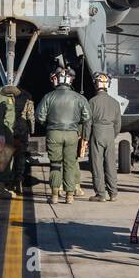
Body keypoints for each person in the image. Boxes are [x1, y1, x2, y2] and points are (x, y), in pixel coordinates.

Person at [35, 68, 90, 204]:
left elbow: (39, 116)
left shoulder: (49, 96)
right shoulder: (79, 97)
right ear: (70, 80)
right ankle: (69, 196)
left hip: (54, 133)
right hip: (72, 133)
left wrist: (48, 124)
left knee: (55, 165)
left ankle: (54, 195)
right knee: (70, 164)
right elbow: (87, 116)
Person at [0, 84, 35, 197]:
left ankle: (2, 186)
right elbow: (30, 115)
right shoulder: (21, 96)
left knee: (3, 158)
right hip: (9, 130)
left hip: (7, 130)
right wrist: (32, 130)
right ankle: (7, 186)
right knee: (12, 157)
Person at [86, 72, 123, 202]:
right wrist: (113, 135)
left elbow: (88, 122)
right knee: (111, 164)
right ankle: (113, 192)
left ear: (96, 85)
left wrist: (86, 138)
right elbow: (118, 123)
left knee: (97, 164)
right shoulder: (115, 102)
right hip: (110, 133)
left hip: (97, 132)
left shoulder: (92, 101)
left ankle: (100, 194)